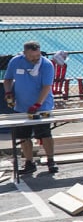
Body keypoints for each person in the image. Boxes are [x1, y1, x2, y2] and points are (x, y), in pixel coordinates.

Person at [4, 41, 57, 175]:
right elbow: (8, 79)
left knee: (45, 134)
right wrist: (8, 93)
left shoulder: (46, 65)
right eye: (32, 56)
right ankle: (29, 162)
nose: (35, 58)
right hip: (21, 106)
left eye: (37, 55)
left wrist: (38, 104)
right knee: (23, 136)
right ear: (24, 53)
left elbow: (47, 87)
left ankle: (51, 160)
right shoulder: (16, 61)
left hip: (42, 106)